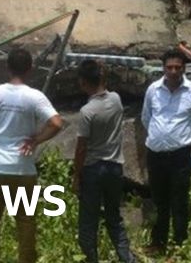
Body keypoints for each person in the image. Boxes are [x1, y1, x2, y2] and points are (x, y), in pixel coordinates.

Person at [0, 48, 64, 263]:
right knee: (25, 221)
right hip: (21, 169)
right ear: (30, 69)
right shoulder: (35, 97)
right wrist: (36, 140)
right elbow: (56, 123)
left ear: (7, 67)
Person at [142, 49, 191, 249]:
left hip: (180, 156)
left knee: (179, 201)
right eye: (169, 67)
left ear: (184, 69)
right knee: (159, 201)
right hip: (155, 155)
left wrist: (188, 140)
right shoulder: (153, 90)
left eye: (177, 67)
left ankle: (180, 244)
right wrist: (160, 136)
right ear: (163, 68)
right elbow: (146, 118)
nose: (173, 71)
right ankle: (158, 242)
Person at [73, 60, 135, 263]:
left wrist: (76, 175)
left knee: (88, 222)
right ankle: (128, 259)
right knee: (114, 218)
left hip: (93, 169)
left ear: (82, 82)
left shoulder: (87, 112)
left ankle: (91, 258)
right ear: (101, 77)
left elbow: (81, 148)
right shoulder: (116, 100)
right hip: (115, 168)